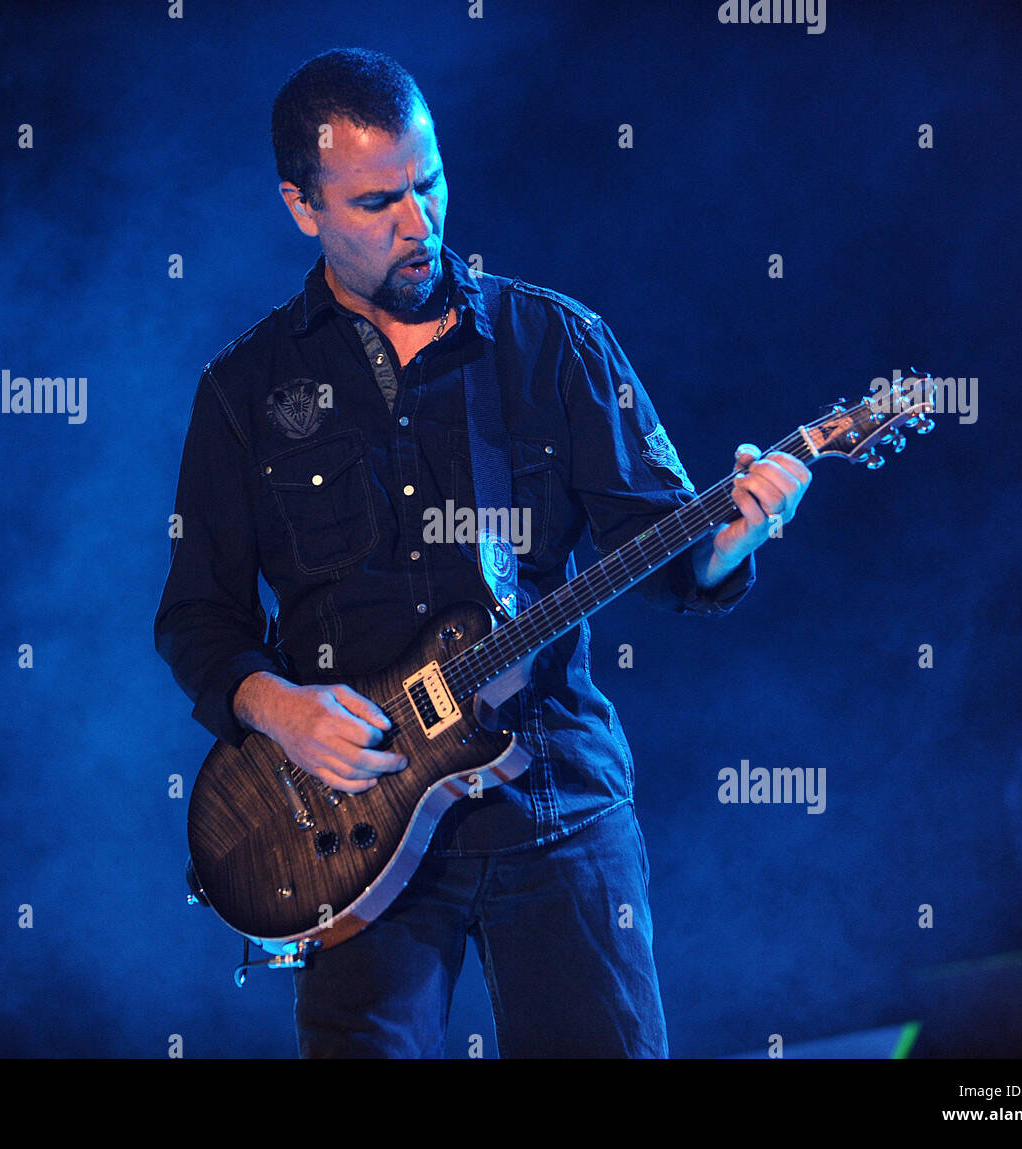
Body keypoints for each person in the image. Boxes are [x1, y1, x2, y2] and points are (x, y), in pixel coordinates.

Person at [154, 47, 810, 1058]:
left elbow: (675, 563)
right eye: (377, 202)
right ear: (302, 206)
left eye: (429, 183)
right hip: (349, 834)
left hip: (556, 805)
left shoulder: (556, 340)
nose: (417, 222)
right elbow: (198, 618)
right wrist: (279, 709)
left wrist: (740, 531)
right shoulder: (243, 392)